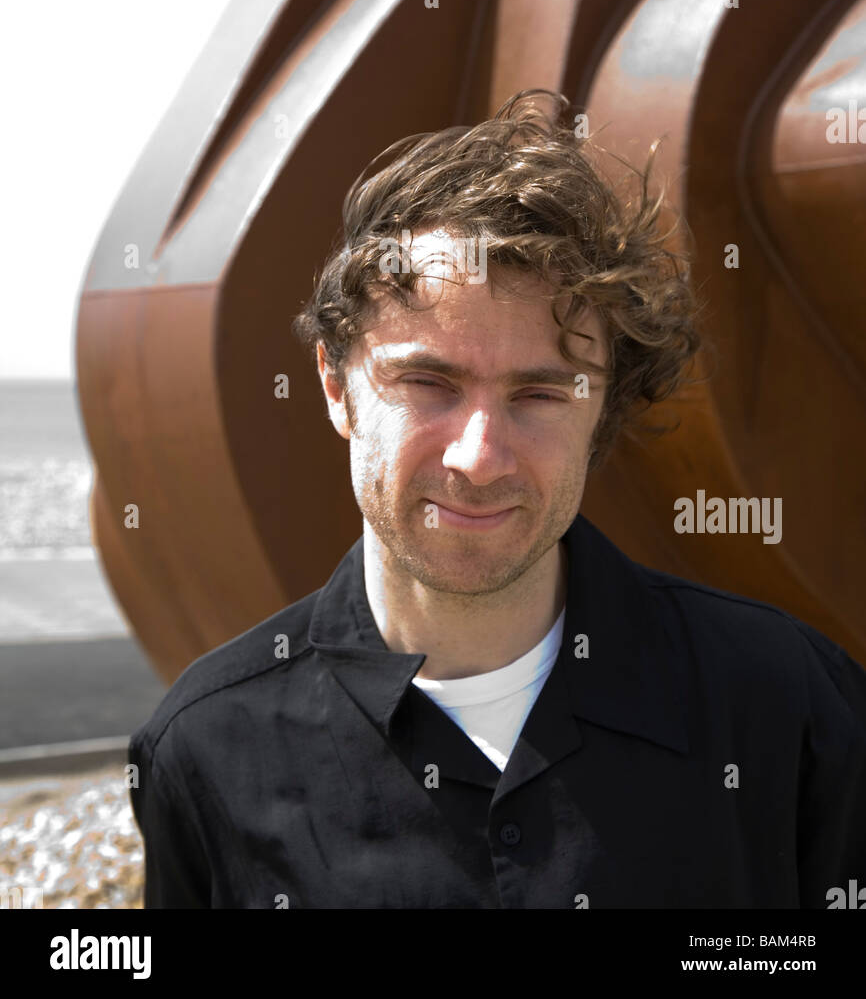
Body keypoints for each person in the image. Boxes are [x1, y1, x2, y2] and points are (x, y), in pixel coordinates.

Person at [128, 89, 866, 908]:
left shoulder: (790, 704)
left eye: (540, 395)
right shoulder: (202, 750)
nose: (478, 459)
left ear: (602, 411)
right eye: (427, 382)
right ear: (337, 388)